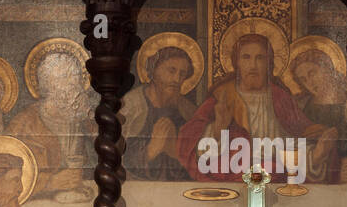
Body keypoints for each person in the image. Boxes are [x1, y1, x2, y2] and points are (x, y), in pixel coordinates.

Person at [176, 32, 334, 181]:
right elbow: (189, 145)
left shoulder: (280, 98)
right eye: (246, 57)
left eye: (260, 58)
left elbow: (297, 138)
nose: (253, 65)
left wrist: (316, 154)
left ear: (268, 63)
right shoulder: (222, 96)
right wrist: (218, 129)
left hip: (275, 176)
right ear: (236, 62)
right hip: (231, 178)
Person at [8, 51, 95, 195]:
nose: (72, 89)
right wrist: (49, 183)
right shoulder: (23, 123)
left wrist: (91, 118)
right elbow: (3, 174)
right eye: (64, 80)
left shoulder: (80, 119)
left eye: (75, 82)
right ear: (47, 84)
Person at [288, 47, 347, 183]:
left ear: (327, 69)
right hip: (317, 176)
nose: (310, 82)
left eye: (312, 73)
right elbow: (293, 145)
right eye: (303, 79)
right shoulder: (301, 107)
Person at [121, 45, 197, 180]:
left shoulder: (188, 111)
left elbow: (198, 162)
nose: (177, 79)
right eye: (171, 71)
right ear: (154, 70)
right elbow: (116, 156)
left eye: (182, 74)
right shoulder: (130, 106)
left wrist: (174, 151)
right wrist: (152, 149)